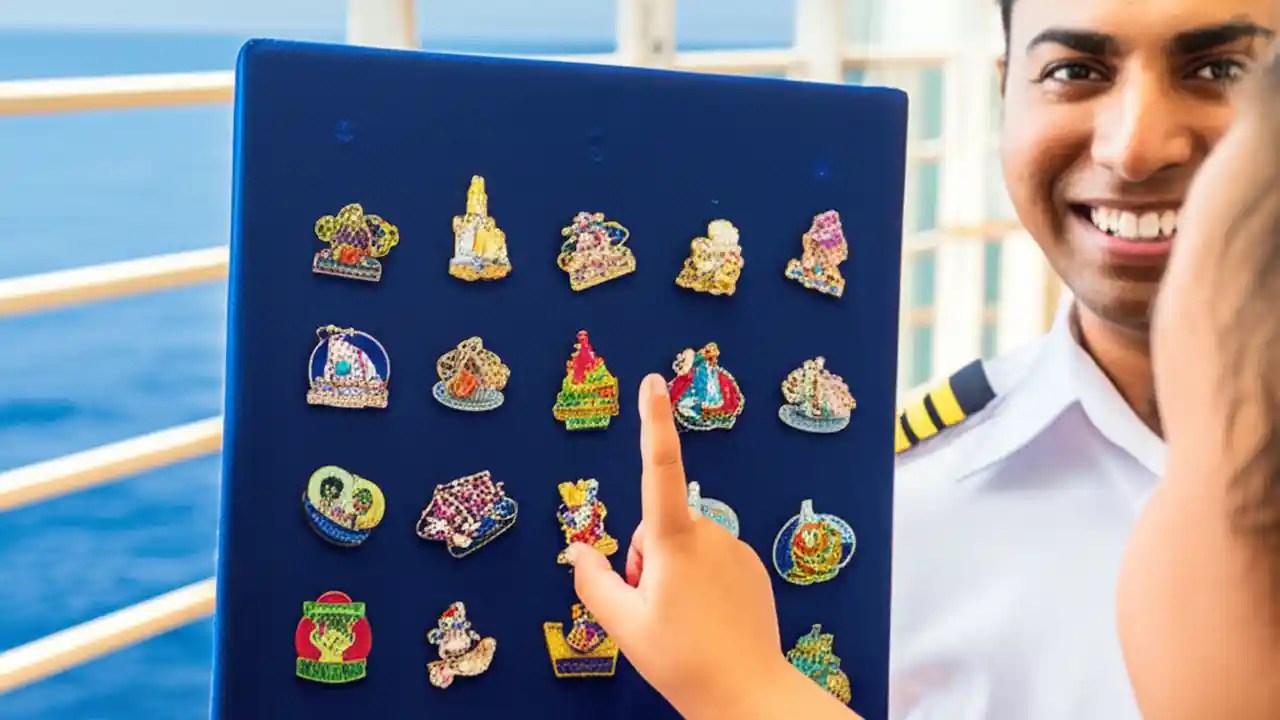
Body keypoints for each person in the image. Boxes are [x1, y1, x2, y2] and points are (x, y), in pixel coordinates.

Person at [563, 45, 1280, 720]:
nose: (1136, 147)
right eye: (1075, 69)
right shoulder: (912, 487)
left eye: (1197, 471)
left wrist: (744, 686)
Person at [888, 0, 1277, 716]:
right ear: (1004, 93)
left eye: (1220, 70)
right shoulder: (890, 514)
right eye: (1074, 72)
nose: (1135, 148)